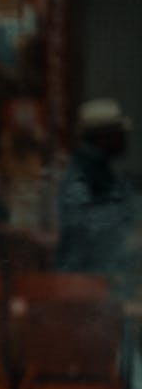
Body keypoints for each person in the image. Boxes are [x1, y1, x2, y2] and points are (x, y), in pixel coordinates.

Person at [56, 98, 135, 274]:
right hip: (84, 283)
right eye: (119, 133)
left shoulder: (104, 174)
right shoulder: (83, 177)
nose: (125, 139)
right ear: (103, 136)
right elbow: (80, 233)